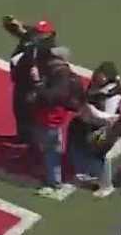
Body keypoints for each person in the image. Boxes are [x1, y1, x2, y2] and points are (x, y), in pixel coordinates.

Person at [28, 47, 81, 197]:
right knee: (48, 148)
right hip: (47, 117)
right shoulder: (57, 73)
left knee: (51, 150)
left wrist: (37, 82)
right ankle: (51, 176)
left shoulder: (61, 77)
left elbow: (52, 97)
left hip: (50, 119)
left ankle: (54, 182)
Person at [68, 61, 121, 196]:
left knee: (97, 149)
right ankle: (82, 170)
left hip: (104, 128)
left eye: (103, 76)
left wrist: (92, 111)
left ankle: (98, 178)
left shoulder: (113, 94)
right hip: (88, 122)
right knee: (75, 135)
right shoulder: (96, 85)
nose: (99, 77)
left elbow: (108, 117)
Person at [2, 16, 56, 144]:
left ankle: (31, 142)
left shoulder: (47, 48)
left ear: (49, 34)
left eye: (40, 32)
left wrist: (37, 88)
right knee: (19, 110)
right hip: (21, 80)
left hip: (30, 85)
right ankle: (22, 137)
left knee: (29, 114)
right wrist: (17, 23)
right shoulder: (34, 36)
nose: (37, 33)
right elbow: (25, 30)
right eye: (37, 30)